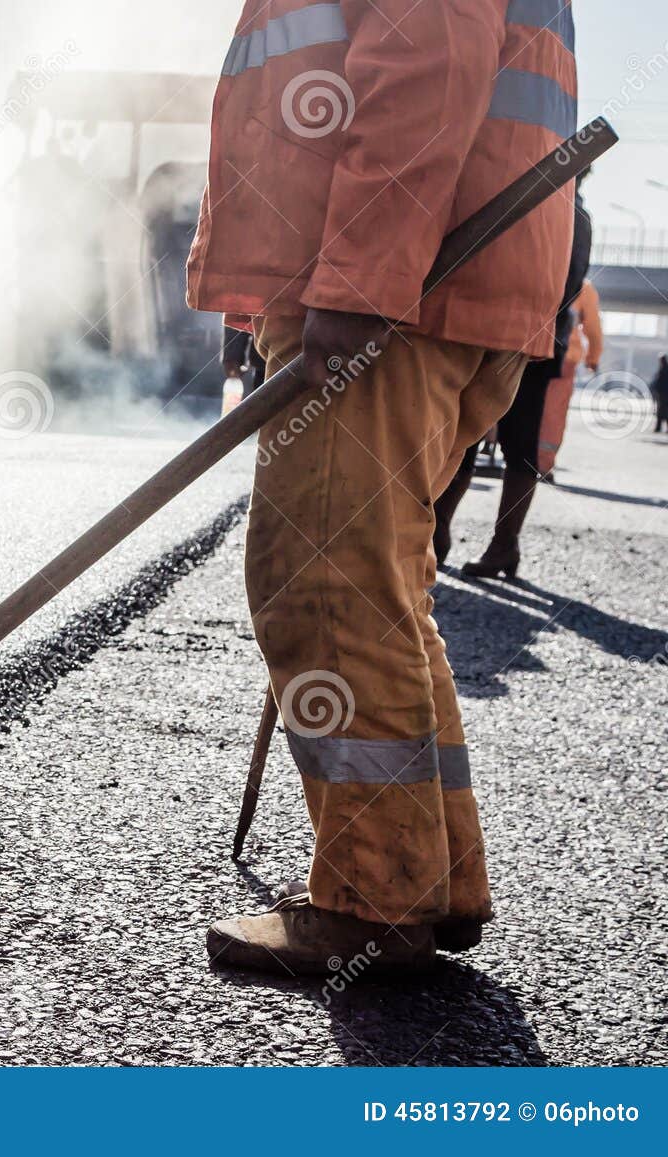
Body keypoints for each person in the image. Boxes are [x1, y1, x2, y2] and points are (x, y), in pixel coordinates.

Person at [187, 0, 577, 975]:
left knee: (322, 587)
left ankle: (371, 904)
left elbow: (424, 63)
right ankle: (428, 876)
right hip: (439, 285)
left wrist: (356, 281)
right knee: (378, 588)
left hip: (397, 294)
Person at [434, 187, 591, 577]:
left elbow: (568, 283)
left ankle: (503, 545)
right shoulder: (520, 191)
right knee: (461, 433)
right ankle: (436, 535)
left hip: (531, 340)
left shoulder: (572, 213)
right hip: (491, 330)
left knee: (513, 442)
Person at [536, 278, 603, 477]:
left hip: (532, 351)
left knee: (524, 403)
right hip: (565, 356)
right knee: (553, 412)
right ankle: (542, 463)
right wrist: (593, 357)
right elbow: (593, 328)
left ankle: (517, 458)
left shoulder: (545, 272)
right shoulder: (583, 287)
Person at [653, 355, 668, 435]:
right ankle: (658, 427)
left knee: (662, 412)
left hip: (663, 395)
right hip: (662, 394)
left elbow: (660, 382)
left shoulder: (664, 370)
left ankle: (658, 427)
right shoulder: (662, 369)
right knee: (662, 412)